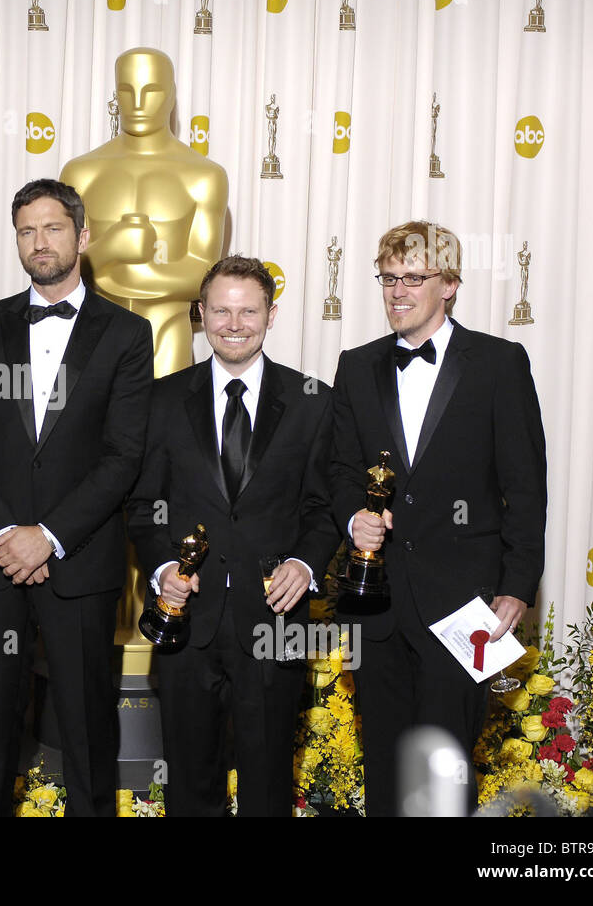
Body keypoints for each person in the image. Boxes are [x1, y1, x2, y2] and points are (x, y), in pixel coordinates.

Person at [0, 178, 153, 816]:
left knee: (86, 729)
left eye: (53, 228)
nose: (40, 242)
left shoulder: (125, 332)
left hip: (79, 562)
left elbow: (123, 456)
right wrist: (6, 534)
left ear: (83, 236)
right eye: (27, 231)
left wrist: (50, 536)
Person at [330, 220, 546, 816]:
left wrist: (517, 586)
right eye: (389, 278)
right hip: (376, 601)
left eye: (415, 278)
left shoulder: (499, 363)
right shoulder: (356, 366)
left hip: (464, 603)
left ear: (450, 284)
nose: (398, 291)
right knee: (385, 767)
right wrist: (354, 519)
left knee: (446, 770)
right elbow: (341, 471)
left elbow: (525, 486)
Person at [127, 256, 338, 816]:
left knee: (268, 787)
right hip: (186, 624)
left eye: (249, 310)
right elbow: (142, 506)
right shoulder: (161, 400)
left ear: (272, 314)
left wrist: (307, 564)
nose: (235, 323)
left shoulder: (316, 400)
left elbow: (325, 507)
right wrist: (161, 569)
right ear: (200, 314)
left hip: (274, 621)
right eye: (221, 310)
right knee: (190, 788)